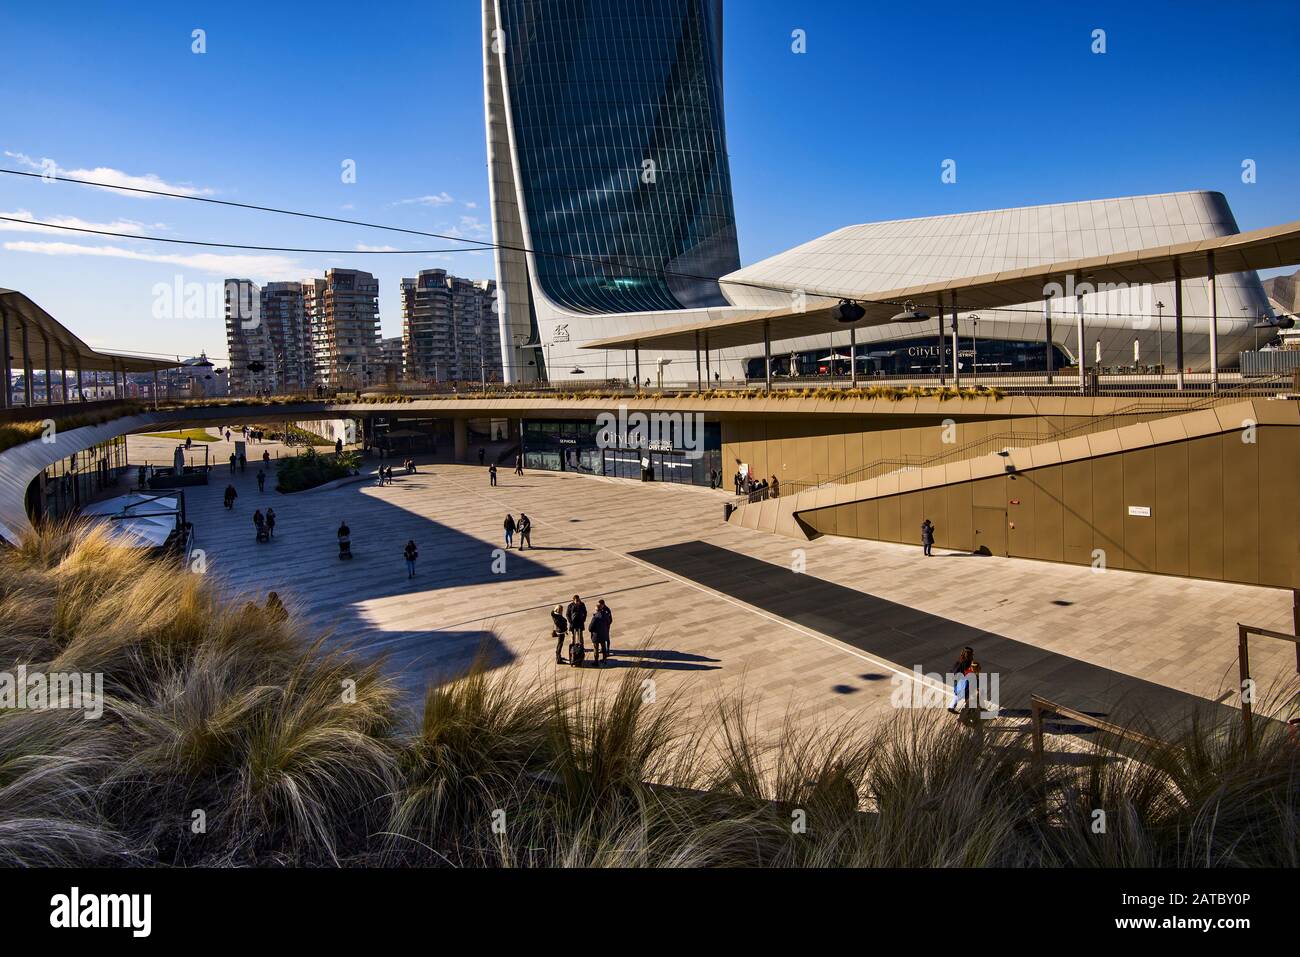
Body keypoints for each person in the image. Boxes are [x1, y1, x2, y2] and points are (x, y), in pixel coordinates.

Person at [949, 647, 975, 714]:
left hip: (956, 679)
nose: (973, 655)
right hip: (962, 680)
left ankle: (951, 706)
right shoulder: (967, 662)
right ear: (969, 655)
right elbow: (967, 672)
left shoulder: (960, 660)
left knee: (957, 694)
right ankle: (969, 709)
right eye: (972, 654)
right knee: (968, 694)